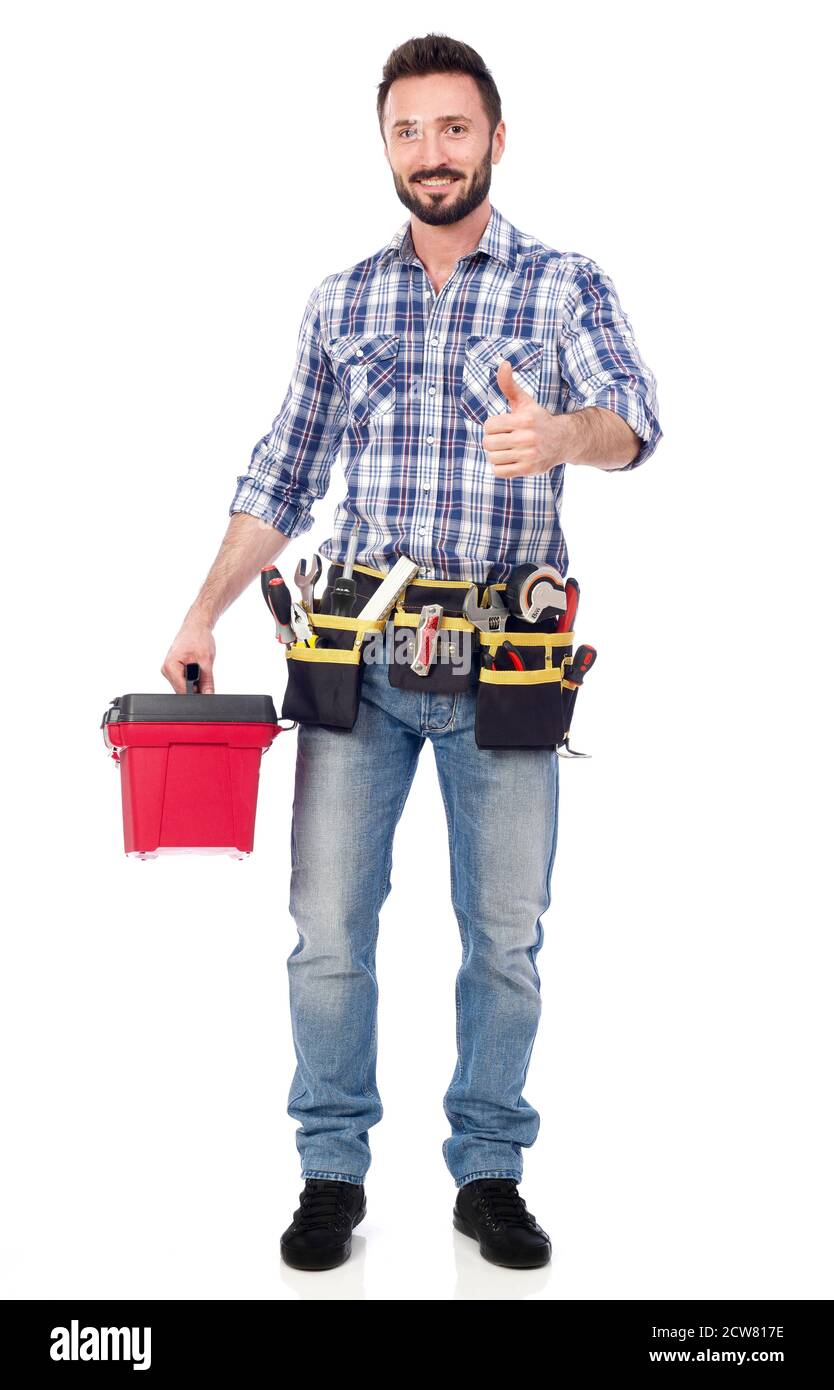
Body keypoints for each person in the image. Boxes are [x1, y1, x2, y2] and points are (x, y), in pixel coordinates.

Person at [162, 33, 662, 1272]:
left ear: (497, 138)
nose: (430, 153)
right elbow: (282, 470)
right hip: (356, 662)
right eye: (407, 131)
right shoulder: (344, 299)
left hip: (506, 664)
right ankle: (331, 1170)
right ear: (384, 144)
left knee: (505, 933)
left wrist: (561, 436)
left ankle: (488, 1171)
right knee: (328, 926)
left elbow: (634, 420)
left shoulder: (561, 285)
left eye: (453, 128)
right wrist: (201, 609)